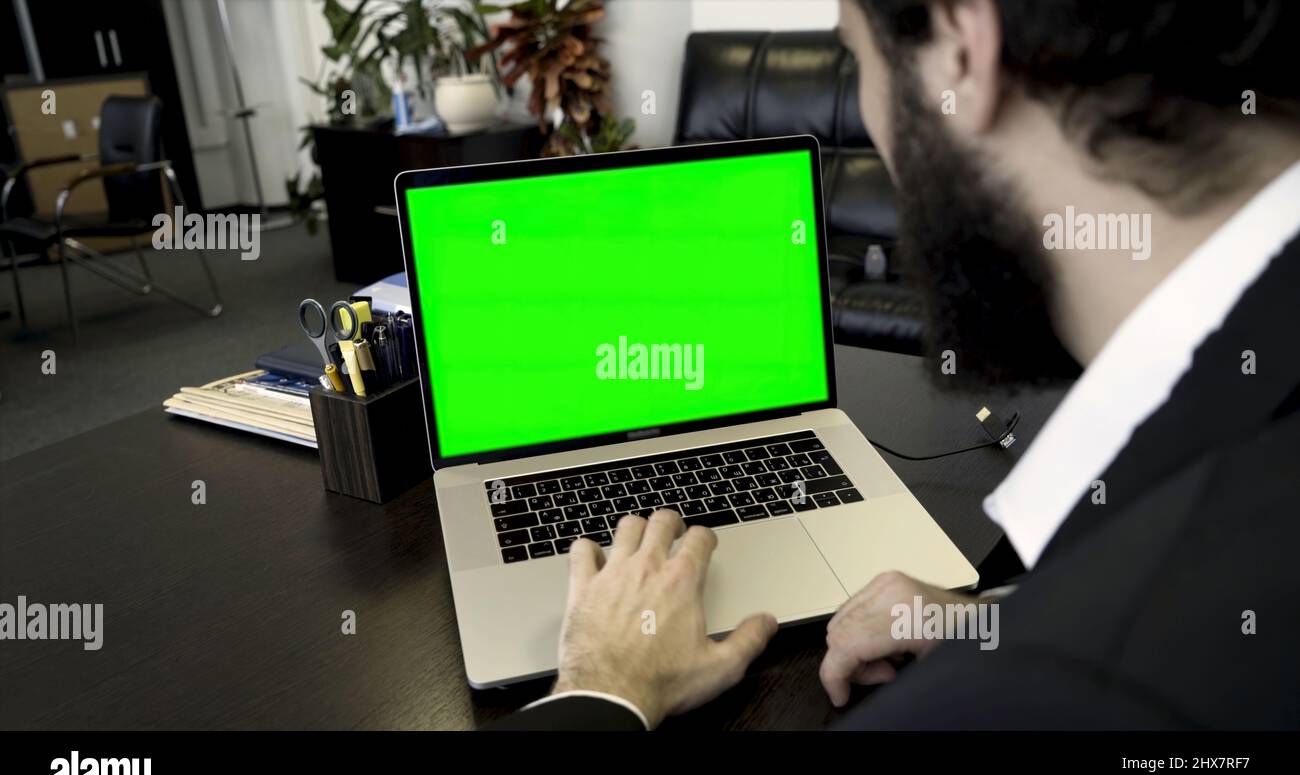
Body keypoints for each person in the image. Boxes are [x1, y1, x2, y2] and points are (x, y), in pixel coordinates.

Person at [492, 0, 1300, 730]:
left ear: (960, 45)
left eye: (858, 57)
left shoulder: (1043, 692)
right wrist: (990, 618)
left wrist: (601, 685)